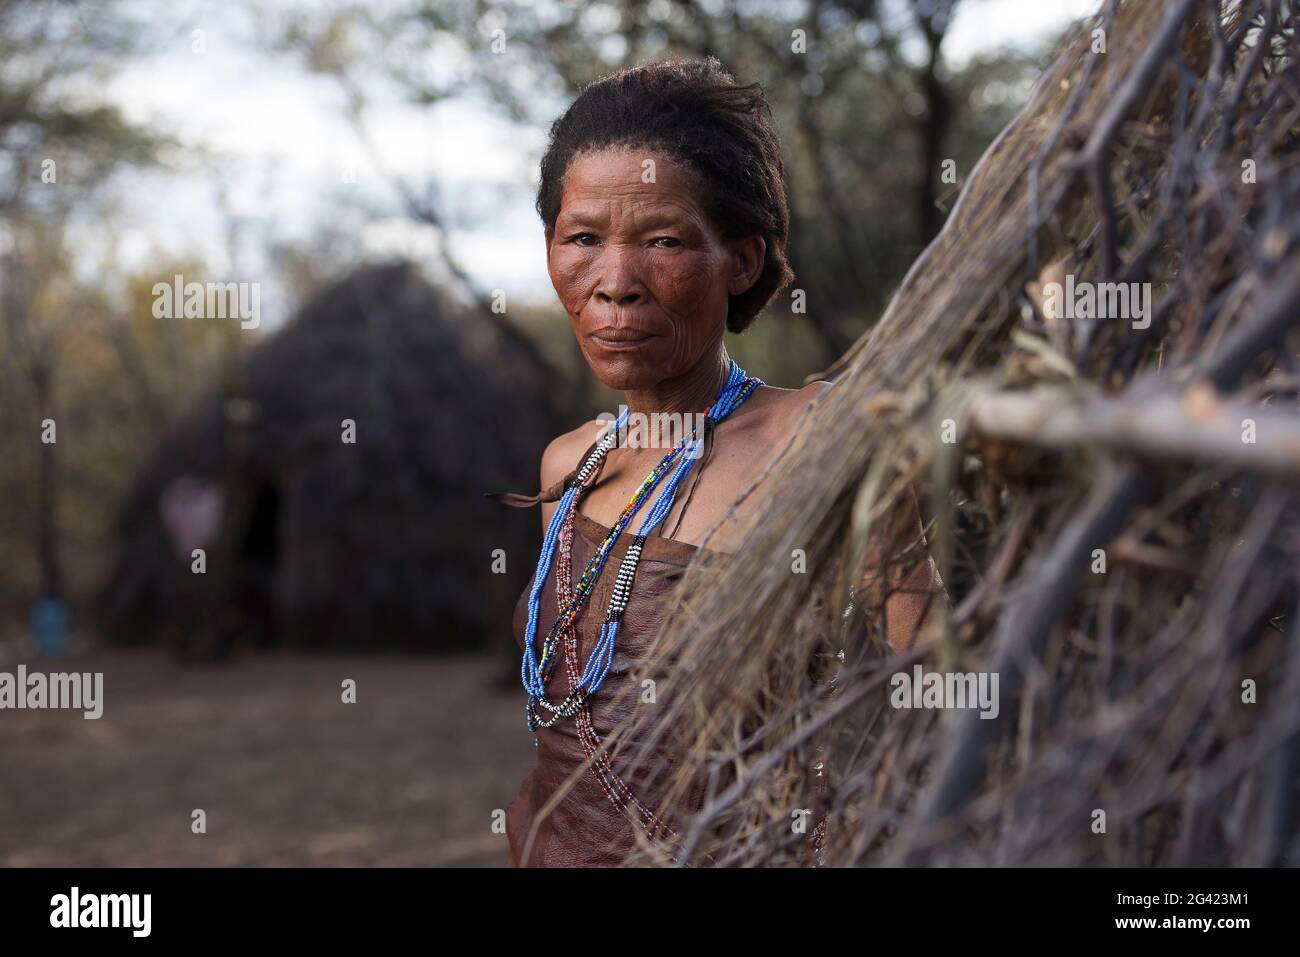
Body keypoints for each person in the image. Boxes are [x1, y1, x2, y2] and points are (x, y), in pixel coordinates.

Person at [492, 56, 933, 867]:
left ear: (743, 259)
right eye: (582, 237)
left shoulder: (821, 443)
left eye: (662, 240)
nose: (615, 283)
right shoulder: (571, 466)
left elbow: (945, 697)